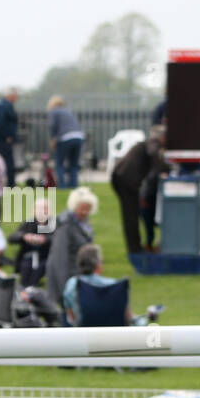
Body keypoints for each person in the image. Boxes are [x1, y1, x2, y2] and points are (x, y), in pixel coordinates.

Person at [63, 244, 162, 327]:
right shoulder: (115, 286)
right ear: (98, 265)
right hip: (115, 341)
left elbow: (71, 318)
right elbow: (129, 319)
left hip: (83, 340)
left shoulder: (72, 284)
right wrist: (146, 319)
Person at [111, 125, 167, 255]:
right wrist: (162, 170)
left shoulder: (144, 144)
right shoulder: (154, 143)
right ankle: (135, 249)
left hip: (123, 177)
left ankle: (136, 247)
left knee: (132, 214)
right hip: (127, 180)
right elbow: (153, 153)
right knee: (130, 216)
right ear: (162, 137)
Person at [44, 186, 99, 308]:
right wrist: (65, 289)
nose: (85, 212)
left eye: (88, 209)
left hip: (79, 276)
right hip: (66, 277)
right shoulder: (65, 226)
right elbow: (60, 258)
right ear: (74, 206)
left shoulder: (83, 222)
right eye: (82, 208)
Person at [6, 197, 53, 289]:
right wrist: (24, 237)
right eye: (39, 208)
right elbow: (12, 237)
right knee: (25, 267)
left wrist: (45, 239)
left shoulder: (53, 224)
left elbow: (56, 238)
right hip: (27, 255)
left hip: (45, 256)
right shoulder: (28, 223)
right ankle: (25, 289)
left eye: (44, 208)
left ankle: (31, 289)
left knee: (39, 269)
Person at [47, 95, 85, 189]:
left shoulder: (54, 112)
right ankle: (73, 185)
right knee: (73, 164)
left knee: (59, 163)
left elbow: (52, 126)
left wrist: (52, 139)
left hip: (65, 138)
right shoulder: (68, 111)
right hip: (79, 137)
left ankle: (62, 186)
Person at [0, 88, 20, 187]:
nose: (16, 98)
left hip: (2, 138)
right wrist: (7, 136)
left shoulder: (2, 105)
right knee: (7, 161)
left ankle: (8, 183)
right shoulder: (4, 106)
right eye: (16, 96)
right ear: (10, 96)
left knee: (6, 161)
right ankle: (9, 183)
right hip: (4, 139)